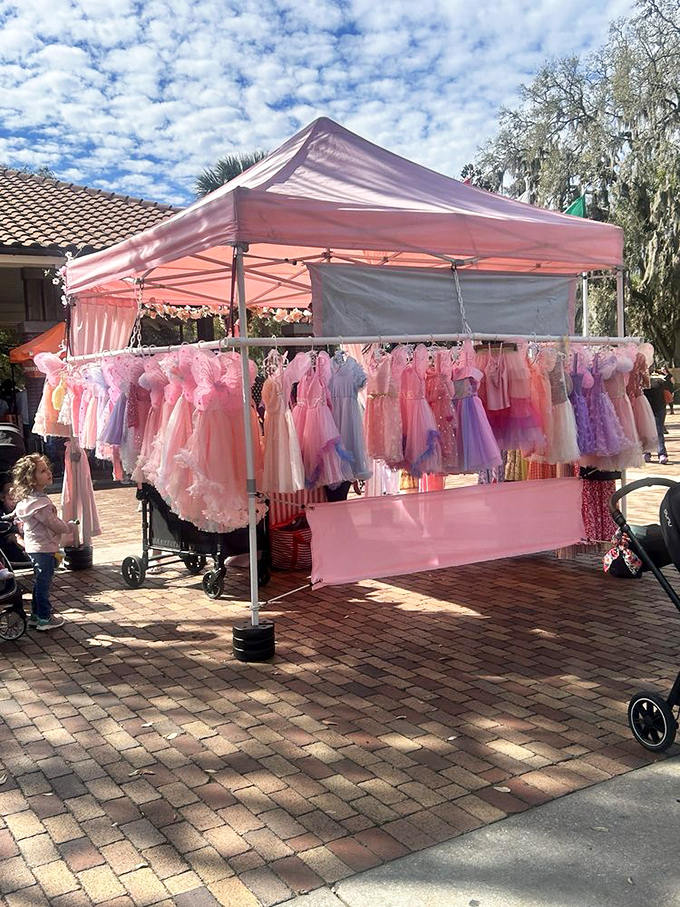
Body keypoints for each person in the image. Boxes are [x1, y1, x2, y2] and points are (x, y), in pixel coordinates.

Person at [11, 454, 77, 631]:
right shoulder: (41, 505)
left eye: (47, 469)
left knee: (39, 582)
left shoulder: (27, 502)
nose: (48, 473)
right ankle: (45, 618)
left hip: (34, 547)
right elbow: (53, 523)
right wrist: (69, 527)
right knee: (44, 584)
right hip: (44, 547)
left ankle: (36, 614)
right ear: (32, 479)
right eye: (42, 471)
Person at [644, 372, 669, 464]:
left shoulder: (659, 381)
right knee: (648, 431)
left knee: (658, 431)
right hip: (650, 409)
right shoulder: (640, 383)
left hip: (659, 408)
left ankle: (661, 453)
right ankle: (647, 452)